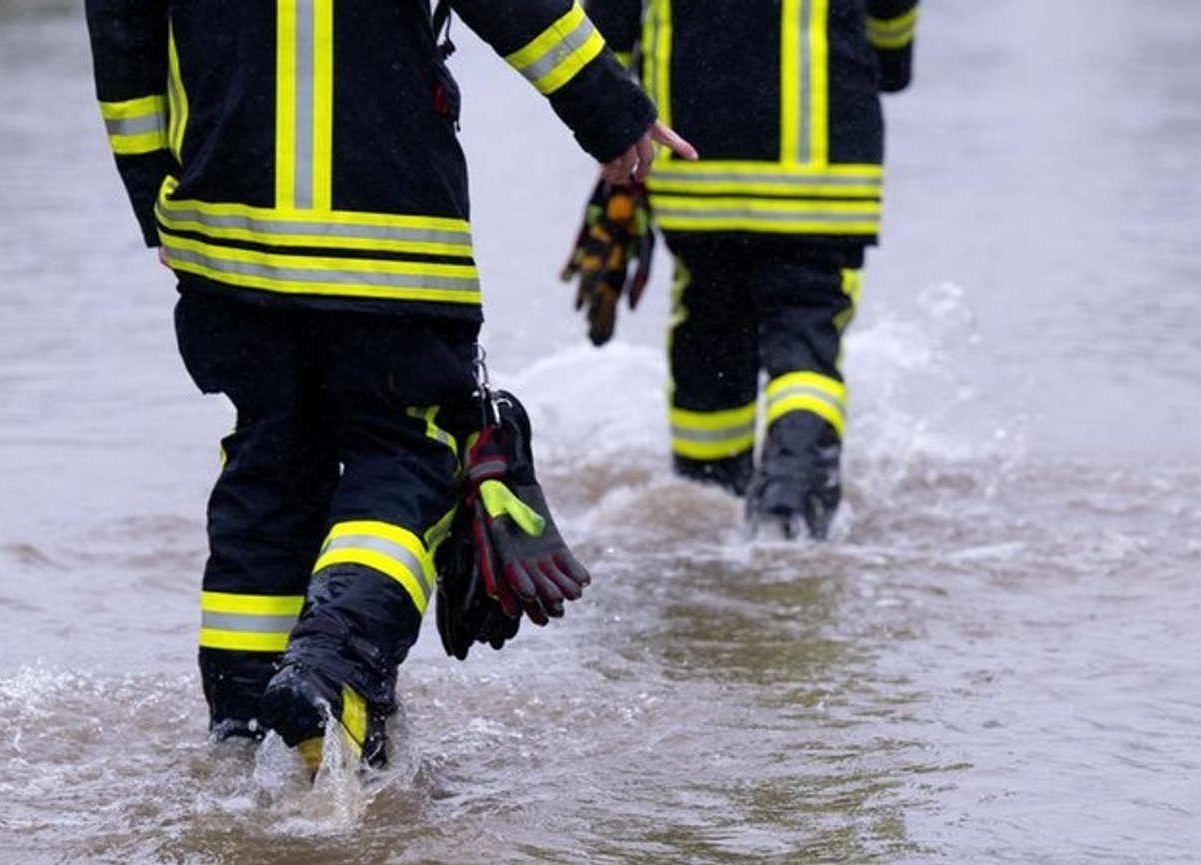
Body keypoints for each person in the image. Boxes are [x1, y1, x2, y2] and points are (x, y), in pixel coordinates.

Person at [84, 0, 695, 766]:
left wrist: (155, 197)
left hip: (223, 235)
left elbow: (121, 32)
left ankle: (241, 727)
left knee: (268, 468)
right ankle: (331, 671)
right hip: (393, 235)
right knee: (410, 456)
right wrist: (611, 110)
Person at [569, 0, 917, 540]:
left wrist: (612, 122)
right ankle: (787, 519)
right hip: (820, 184)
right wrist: (893, 58)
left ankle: (701, 517)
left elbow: (609, 25)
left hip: (693, 171)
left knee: (708, 333)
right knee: (806, 343)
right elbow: (892, 21)